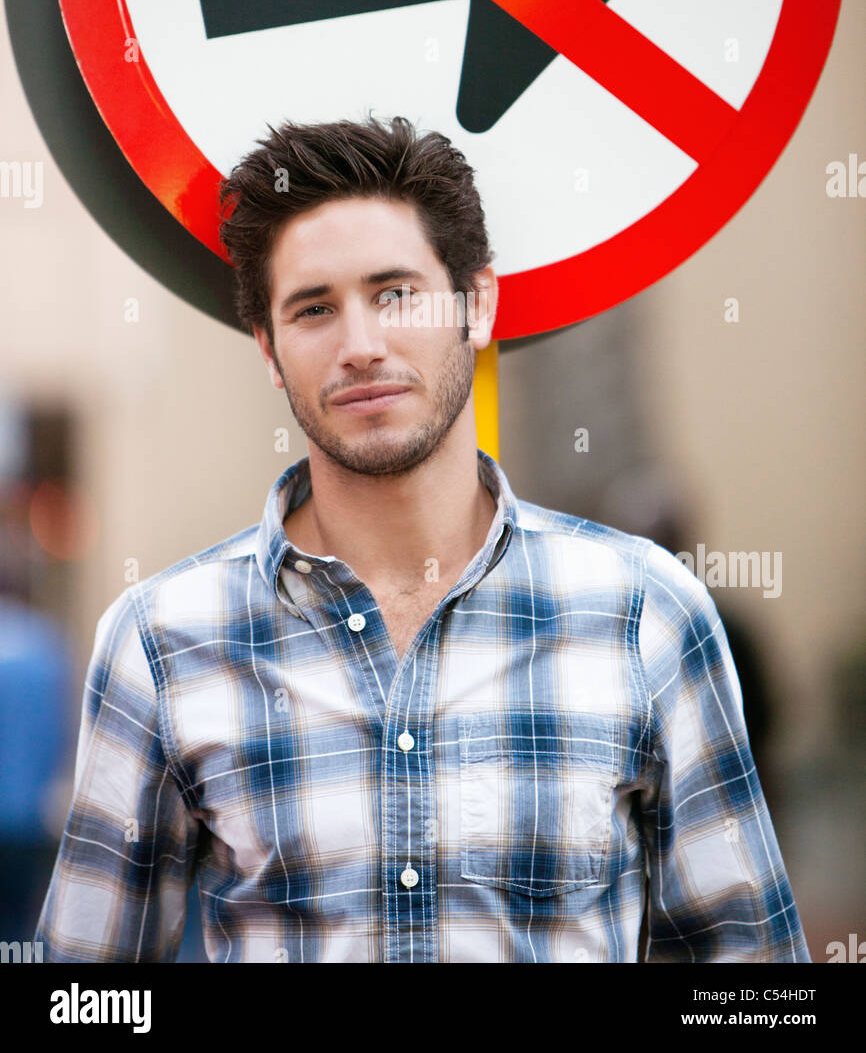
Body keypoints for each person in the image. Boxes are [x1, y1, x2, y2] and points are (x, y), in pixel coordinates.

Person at [35, 114, 810, 963]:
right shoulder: (160, 639)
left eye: (395, 293)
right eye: (314, 309)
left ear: (475, 305)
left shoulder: (645, 614)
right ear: (269, 347)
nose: (361, 346)